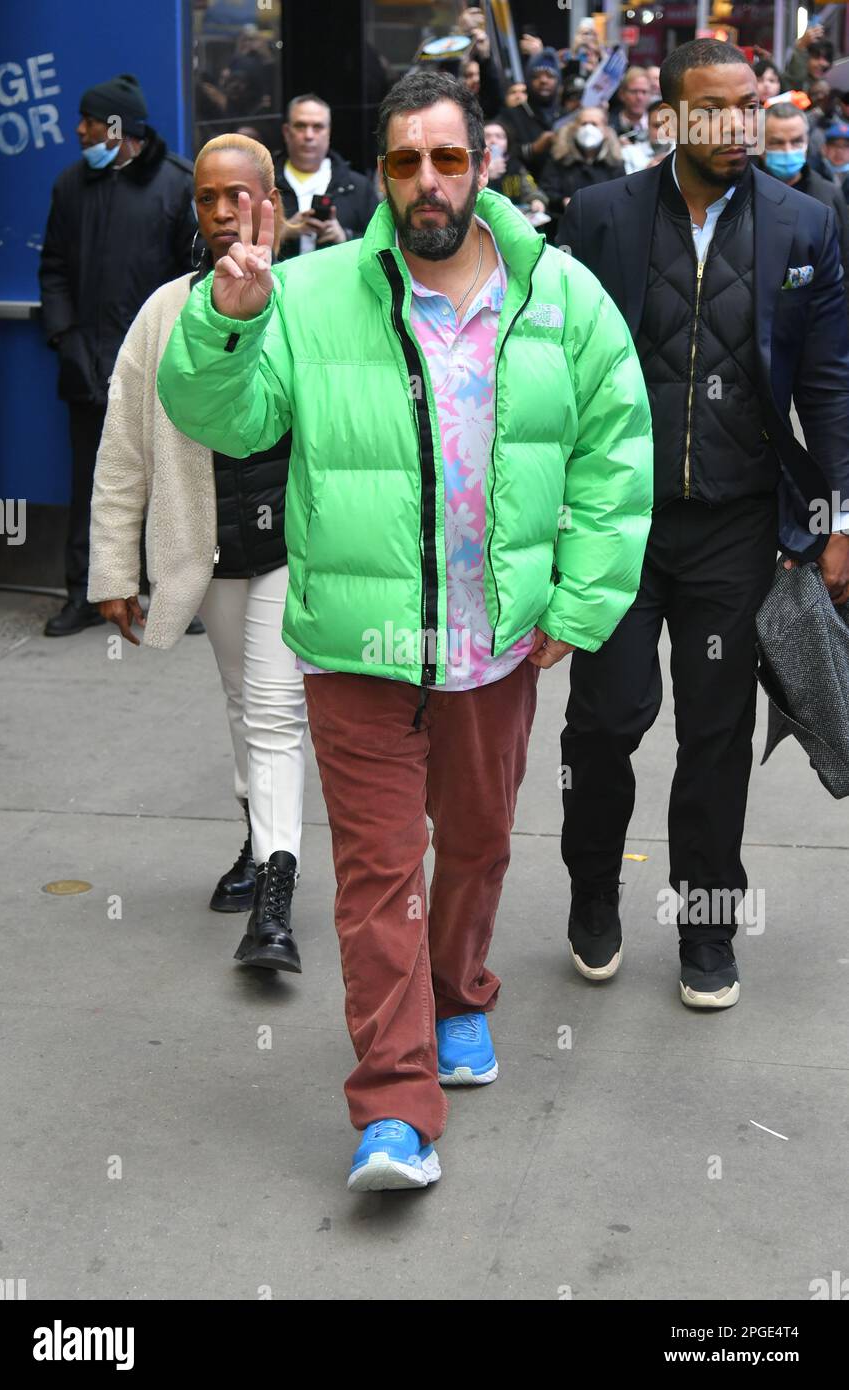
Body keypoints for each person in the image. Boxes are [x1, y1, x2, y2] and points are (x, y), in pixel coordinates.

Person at [157, 70, 652, 1192]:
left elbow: (614, 457)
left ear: (481, 162)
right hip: (356, 645)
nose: (425, 182)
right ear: (377, 174)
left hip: (496, 647)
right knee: (380, 871)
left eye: (445, 158)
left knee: (473, 848)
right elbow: (223, 417)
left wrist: (576, 605)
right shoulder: (313, 290)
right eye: (401, 162)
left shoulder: (559, 298)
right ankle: (392, 1105)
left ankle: (461, 988)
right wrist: (227, 322)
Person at [559, 39, 849, 1010]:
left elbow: (829, 384)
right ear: (669, 117)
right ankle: (591, 890)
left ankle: (706, 925)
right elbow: (553, 375)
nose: (737, 125)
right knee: (602, 724)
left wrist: (836, 514)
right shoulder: (599, 217)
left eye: (748, 104)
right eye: (714, 109)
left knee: (715, 737)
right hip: (616, 526)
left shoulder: (804, 225)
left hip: (734, 528)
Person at [87, 135, 308, 969]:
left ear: (271, 203)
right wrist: (113, 567)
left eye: (239, 196)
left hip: (294, 545)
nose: (223, 212)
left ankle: (276, 899)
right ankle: (258, 844)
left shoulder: (307, 300)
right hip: (209, 551)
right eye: (208, 198)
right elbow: (124, 449)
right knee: (241, 701)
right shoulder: (163, 313)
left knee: (276, 710)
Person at [39, 73, 196, 637]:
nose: (78, 130)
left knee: (169, 481)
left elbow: (193, 282)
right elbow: (53, 267)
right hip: (86, 364)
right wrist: (65, 338)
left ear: (117, 126)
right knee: (92, 482)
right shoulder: (69, 187)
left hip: (160, 367)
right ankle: (87, 594)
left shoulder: (178, 186)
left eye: (88, 119)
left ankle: (173, 595)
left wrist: (174, 353)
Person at [761, 103, 849, 306]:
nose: (787, 150)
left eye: (796, 141)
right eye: (776, 143)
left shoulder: (828, 194)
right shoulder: (742, 194)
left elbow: (844, 260)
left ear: (807, 142)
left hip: (816, 316)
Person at [273, 94, 378, 260]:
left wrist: (344, 236)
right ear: (286, 132)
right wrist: (283, 233)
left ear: (328, 132)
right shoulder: (266, 185)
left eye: (317, 127)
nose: (308, 135)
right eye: (300, 126)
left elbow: (381, 246)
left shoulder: (358, 187)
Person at [541, 106, 625, 224]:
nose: (588, 128)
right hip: (566, 224)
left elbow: (621, 196)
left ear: (605, 130)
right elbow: (547, 191)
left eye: (594, 124)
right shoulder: (559, 159)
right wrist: (562, 202)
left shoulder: (615, 163)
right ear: (575, 128)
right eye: (584, 123)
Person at [500, 48, 563, 181]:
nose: (543, 81)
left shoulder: (565, 115)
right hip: (525, 191)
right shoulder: (511, 115)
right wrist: (533, 149)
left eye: (550, 76)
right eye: (536, 76)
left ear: (558, 82)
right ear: (527, 82)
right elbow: (501, 153)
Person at [484, 121, 547, 218]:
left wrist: (536, 200)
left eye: (499, 137)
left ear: (507, 143)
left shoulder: (516, 166)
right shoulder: (472, 167)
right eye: (487, 137)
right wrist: (485, 173)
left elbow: (531, 189)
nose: (493, 141)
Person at [620, 99, 675, 175]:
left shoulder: (685, 154)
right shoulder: (630, 153)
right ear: (648, 126)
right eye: (657, 126)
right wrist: (647, 174)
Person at [783, 25, 833, 95]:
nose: (822, 63)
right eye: (816, 57)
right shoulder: (795, 82)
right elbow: (795, 78)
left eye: (826, 58)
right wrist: (801, 46)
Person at [609, 66, 652, 142]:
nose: (639, 97)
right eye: (634, 91)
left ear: (650, 95)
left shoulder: (659, 125)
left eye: (644, 92)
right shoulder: (609, 125)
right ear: (622, 94)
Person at [822, 119, 849, 201]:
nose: (839, 151)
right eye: (834, 145)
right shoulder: (812, 173)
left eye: (846, 146)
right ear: (824, 148)